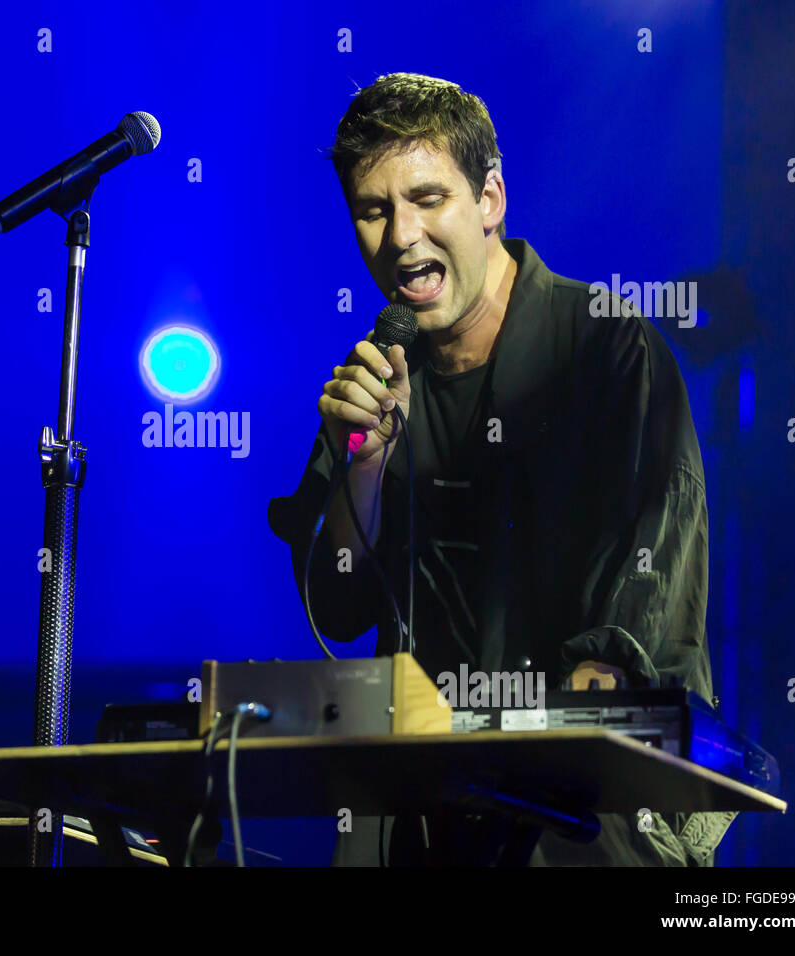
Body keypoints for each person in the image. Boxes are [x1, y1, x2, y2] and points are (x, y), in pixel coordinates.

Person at [267, 73, 736, 865]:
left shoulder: (607, 347)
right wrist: (365, 465)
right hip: (420, 813)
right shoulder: (376, 378)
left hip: (583, 815)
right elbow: (337, 603)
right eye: (374, 210)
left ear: (489, 199)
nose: (402, 237)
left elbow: (652, 581)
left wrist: (575, 712)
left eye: (426, 199)